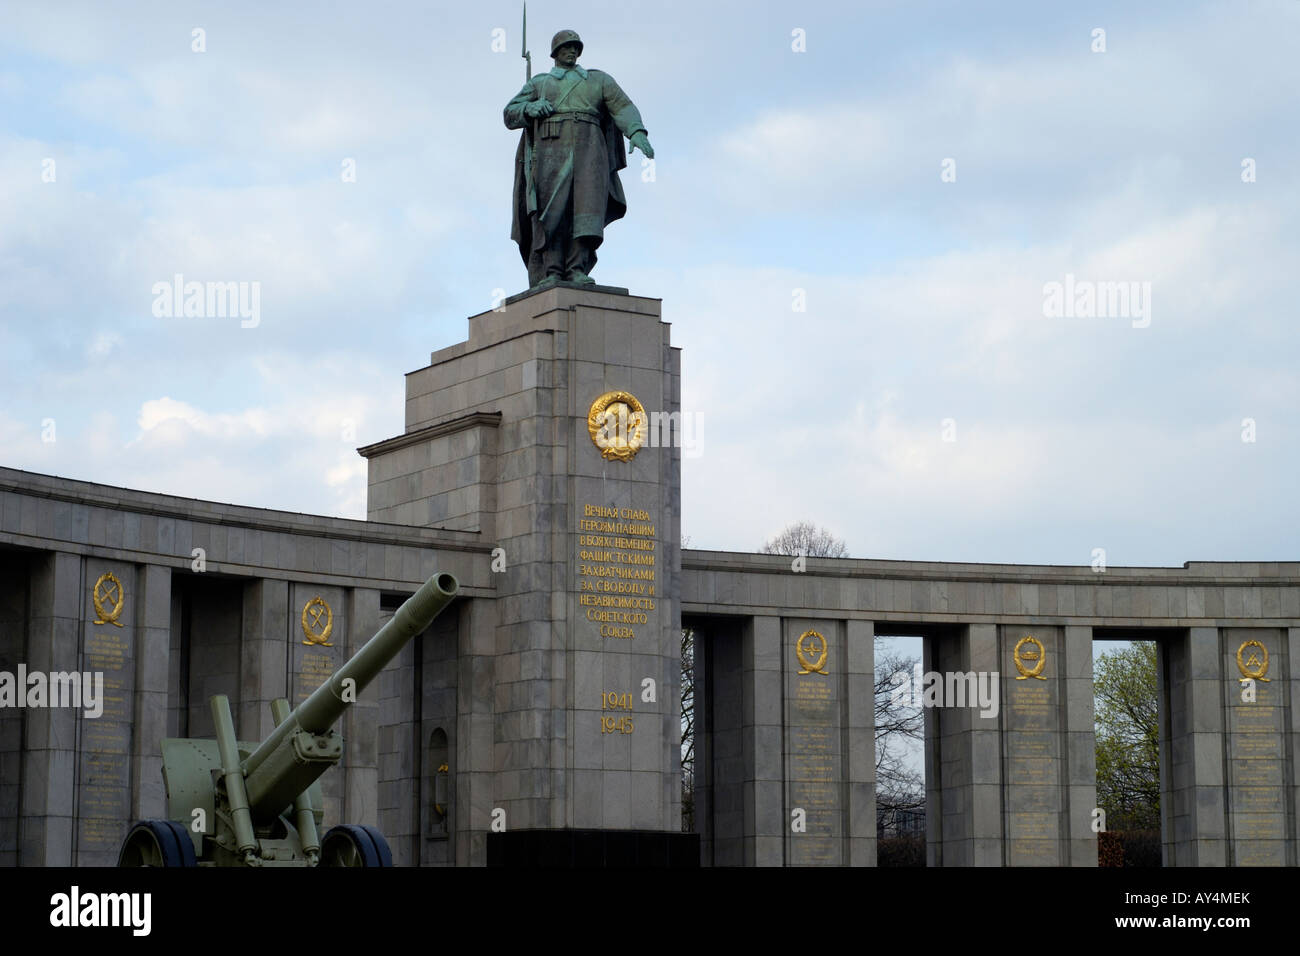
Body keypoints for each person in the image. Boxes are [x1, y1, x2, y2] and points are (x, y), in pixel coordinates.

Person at [504, 30, 654, 288]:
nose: (572, 52)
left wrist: (637, 132)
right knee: (552, 212)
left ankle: (576, 269)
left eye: (575, 48)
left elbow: (622, 106)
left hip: (590, 148)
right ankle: (551, 270)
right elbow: (510, 113)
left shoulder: (598, 80)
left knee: (587, 210)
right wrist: (529, 108)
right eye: (566, 48)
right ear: (555, 53)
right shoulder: (540, 83)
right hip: (551, 148)